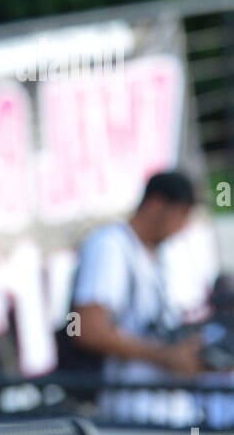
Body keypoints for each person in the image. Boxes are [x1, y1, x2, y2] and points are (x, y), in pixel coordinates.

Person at [68, 170, 211, 421]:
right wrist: (165, 356)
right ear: (156, 205)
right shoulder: (110, 245)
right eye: (181, 215)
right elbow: (84, 329)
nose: (182, 227)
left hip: (163, 415)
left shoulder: (151, 255)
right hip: (128, 415)